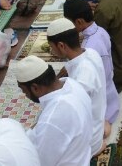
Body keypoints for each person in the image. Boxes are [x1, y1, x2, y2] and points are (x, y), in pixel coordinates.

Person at [12, 55, 96, 166]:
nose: (25, 95)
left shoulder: (52, 118)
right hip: (82, 155)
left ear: (35, 88)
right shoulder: (72, 84)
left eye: (24, 91)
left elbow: (39, 161)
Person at [45, 17, 111, 156]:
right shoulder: (90, 52)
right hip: (96, 126)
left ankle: (94, 149)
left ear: (62, 46)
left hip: (89, 142)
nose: (52, 51)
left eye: (52, 47)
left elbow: (72, 118)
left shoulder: (82, 78)